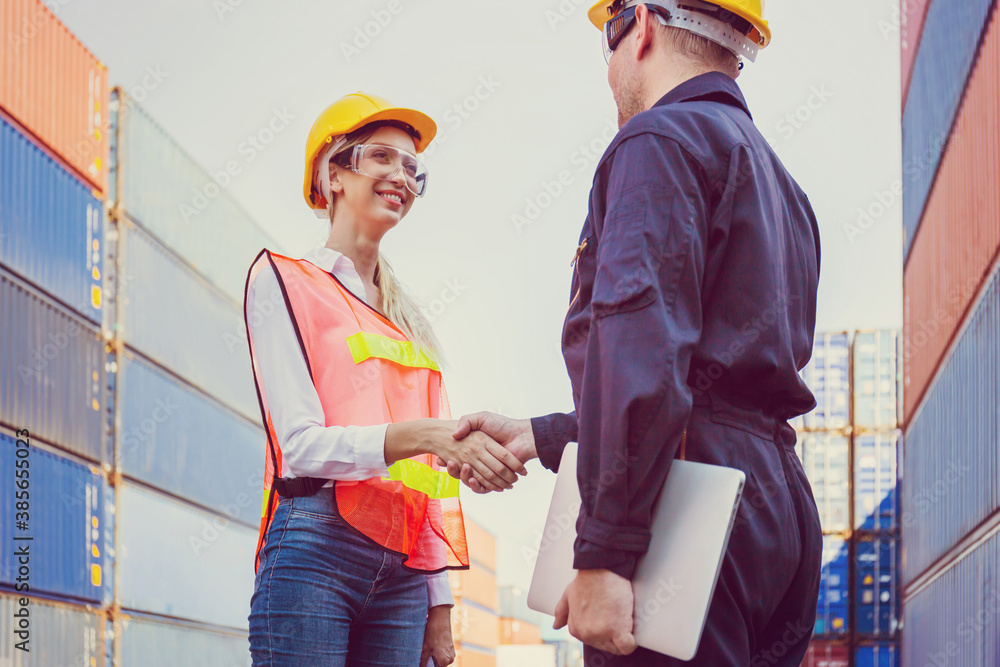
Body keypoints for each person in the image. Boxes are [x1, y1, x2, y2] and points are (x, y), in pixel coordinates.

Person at [445, 1, 824, 664]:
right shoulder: (785, 187)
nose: (611, 69)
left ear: (640, 24)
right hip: (777, 512)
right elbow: (711, 383)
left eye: (607, 43)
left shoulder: (659, 140)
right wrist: (543, 434)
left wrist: (604, 552)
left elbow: (641, 346)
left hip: (682, 512)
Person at [245, 92, 527, 666]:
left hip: (404, 574)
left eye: (411, 168)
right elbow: (298, 448)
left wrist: (439, 602)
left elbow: (431, 480)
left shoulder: (411, 324)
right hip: (315, 548)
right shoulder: (284, 280)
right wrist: (424, 435)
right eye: (382, 158)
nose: (401, 175)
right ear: (334, 174)